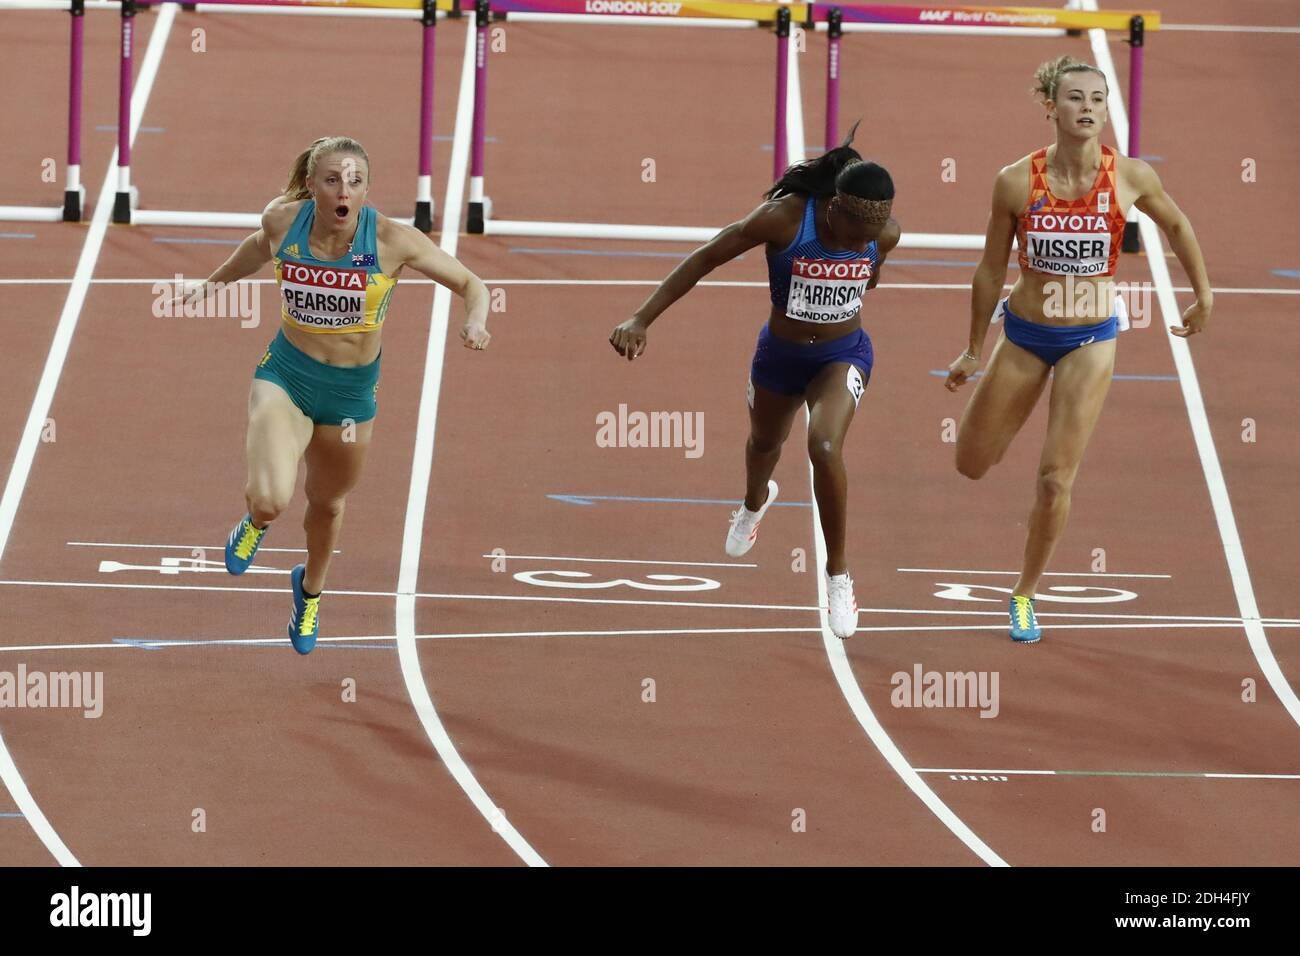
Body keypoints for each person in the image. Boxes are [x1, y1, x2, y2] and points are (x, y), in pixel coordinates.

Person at [184, 136, 491, 654]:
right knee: (270, 498)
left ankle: (309, 591)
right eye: (332, 180)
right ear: (312, 185)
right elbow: (256, 251)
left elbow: (471, 284)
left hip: (350, 397)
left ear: (366, 189)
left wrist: (476, 321)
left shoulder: (393, 241)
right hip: (286, 376)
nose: (344, 190)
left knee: (326, 505)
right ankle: (256, 521)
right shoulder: (284, 222)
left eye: (355, 181)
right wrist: (211, 284)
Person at [945, 56, 1212, 643]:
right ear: (1051, 106)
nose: (1089, 108)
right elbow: (990, 269)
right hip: (1024, 334)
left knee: (1054, 479)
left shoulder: (1130, 176)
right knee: (970, 462)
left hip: (1090, 338)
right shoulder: (1016, 181)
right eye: (1075, 98)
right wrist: (972, 348)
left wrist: (1203, 294)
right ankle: (994, 436)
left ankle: (1024, 594)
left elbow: (1178, 225)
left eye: (1098, 98)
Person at [609, 125, 900, 639]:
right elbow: (705, 258)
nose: (858, 245)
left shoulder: (884, 234)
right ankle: (752, 503)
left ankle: (838, 574)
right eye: (851, 235)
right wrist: (641, 318)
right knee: (764, 443)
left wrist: (845, 284)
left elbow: (870, 276)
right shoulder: (784, 219)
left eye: (865, 240)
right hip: (780, 356)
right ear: (834, 206)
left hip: (843, 354)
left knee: (825, 445)